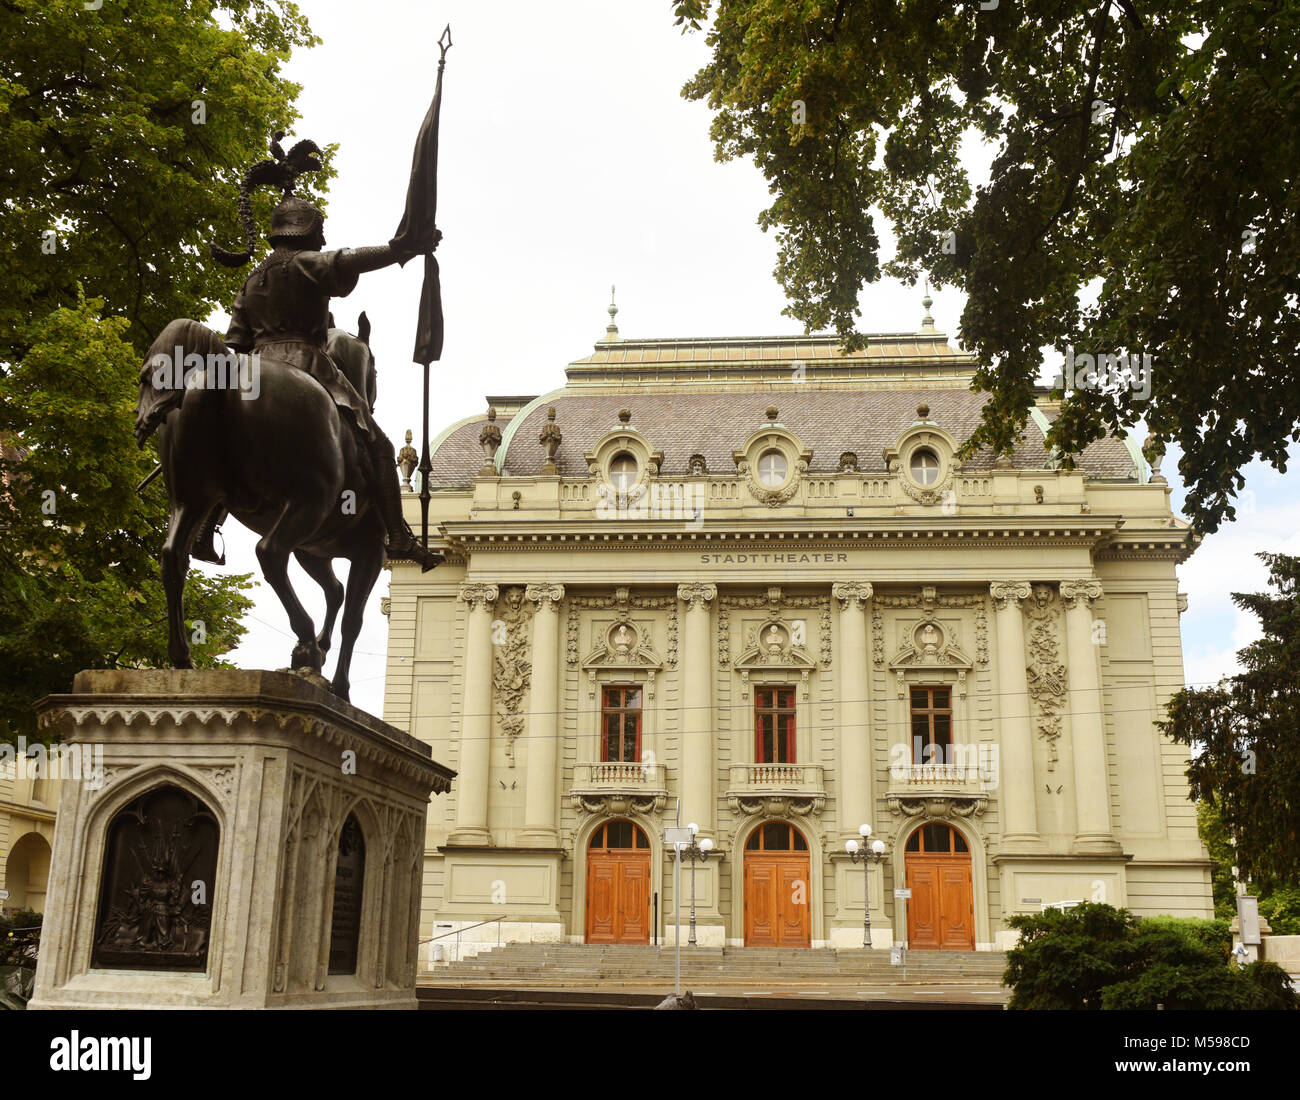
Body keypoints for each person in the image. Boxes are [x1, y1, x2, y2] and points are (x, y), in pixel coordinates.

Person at [192, 193, 440, 569]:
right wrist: (400, 248)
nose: (322, 241)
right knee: (380, 446)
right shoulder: (305, 264)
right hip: (307, 365)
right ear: (304, 232)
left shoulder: (252, 279)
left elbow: (234, 343)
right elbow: (347, 259)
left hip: (251, 371)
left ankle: (206, 522)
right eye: (318, 232)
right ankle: (399, 535)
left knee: (222, 438)